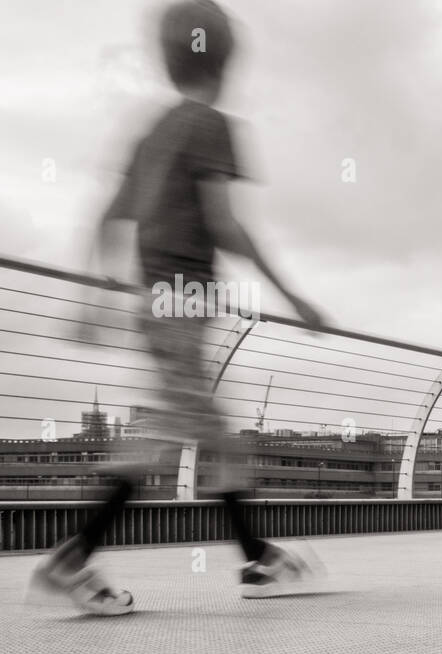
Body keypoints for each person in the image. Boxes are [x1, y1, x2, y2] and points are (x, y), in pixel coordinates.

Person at [30, 0, 327, 615]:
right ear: (226, 60)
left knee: (200, 435)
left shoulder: (153, 131)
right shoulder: (209, 125)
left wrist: (95, 296)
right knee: (175, 441)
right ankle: (72, 558)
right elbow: (223, 224)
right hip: (182, 302)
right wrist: (291, 293)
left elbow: (109, 214)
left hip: (155, 300)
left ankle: (254, 558)